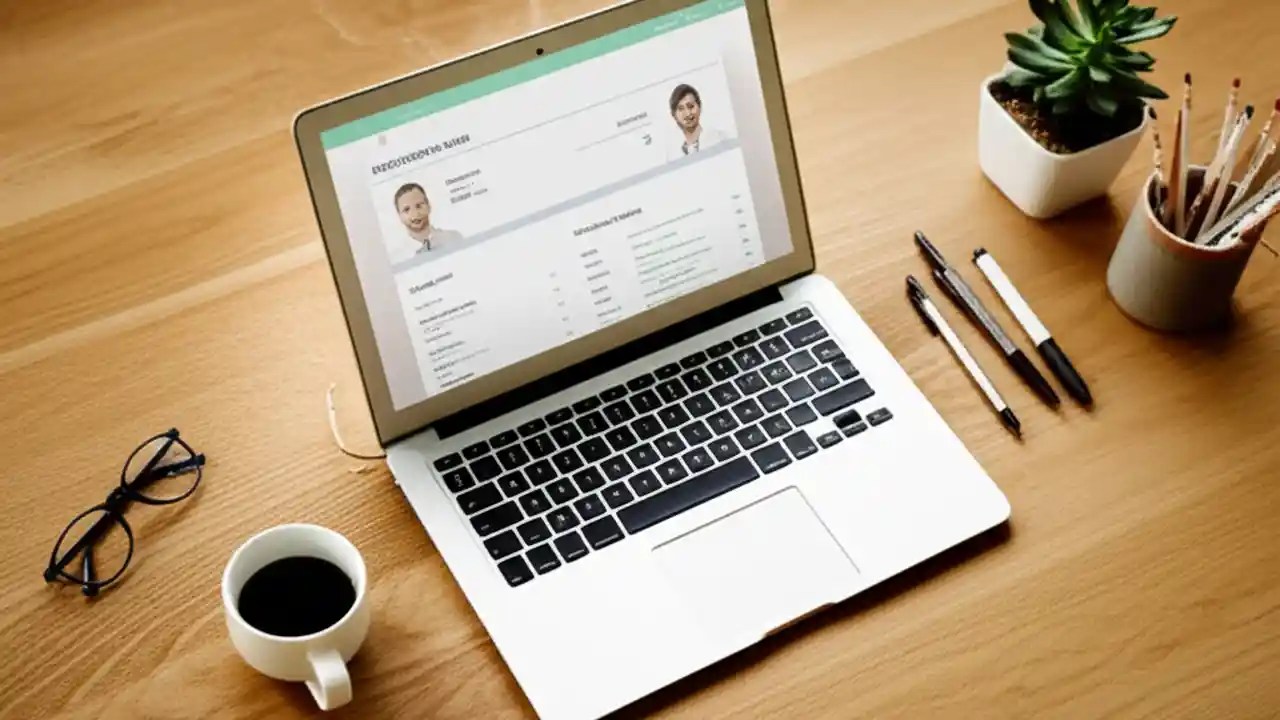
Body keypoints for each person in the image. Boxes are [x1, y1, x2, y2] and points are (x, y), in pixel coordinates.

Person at [393, 183, 464, 255]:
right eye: (406, 210)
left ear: (429, 206)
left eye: (419, 206)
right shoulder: (400, 255)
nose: (415, 214)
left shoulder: (453, 237)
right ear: (399, 216)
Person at [667, 83, 727, 159]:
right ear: (674, 115)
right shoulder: (673, 155)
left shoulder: (719, 138)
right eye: (681, 109)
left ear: (699, 106)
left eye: (691, 106)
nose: (688, 113)